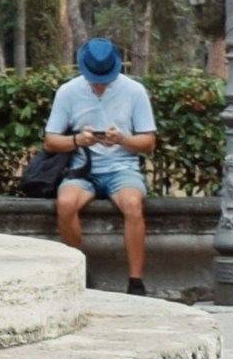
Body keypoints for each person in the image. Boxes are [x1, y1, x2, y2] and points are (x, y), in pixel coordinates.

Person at [47, 33, 159, 291]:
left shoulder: (134, 91)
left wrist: (121, 139)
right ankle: (79, 270)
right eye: (95, 80)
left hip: (122, 168)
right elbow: (50, 141)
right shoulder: (68, 92)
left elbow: (148, 142)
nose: (99, 85)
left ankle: (135, 280)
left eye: (104, 80)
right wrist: (78, 141)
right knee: (65, 204)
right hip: (82, 169)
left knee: (132, 204)